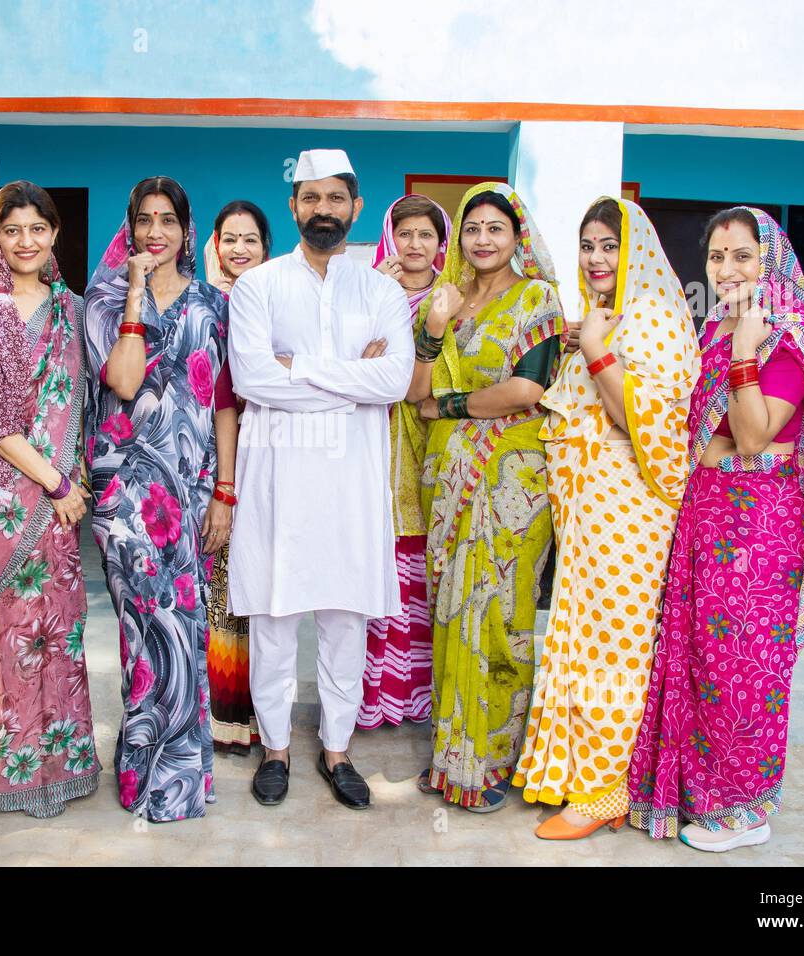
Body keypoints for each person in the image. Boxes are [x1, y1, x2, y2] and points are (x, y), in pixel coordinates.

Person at [628, 206, 804, 851]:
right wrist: (725, 447)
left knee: (746, 667)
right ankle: (701, 792)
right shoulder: (711, 335)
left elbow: (754, 434)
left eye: (743, 256)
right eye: (717, 257)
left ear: (772, 261)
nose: (727, 270)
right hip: (706, 519)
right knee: (702, 659)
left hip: (761, 531)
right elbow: (710, 438)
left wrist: (748, 357)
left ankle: (744, 812)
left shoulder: (794, 338)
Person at [228, 148, 413, 809]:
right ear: (294, 205)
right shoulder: (258, 287)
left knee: (344, 624)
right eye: (311, 198)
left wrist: (297, 367)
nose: (324, 210)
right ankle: (275, 750)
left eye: (336, 199)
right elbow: (252, 380)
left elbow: (392, 381)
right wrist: (348, 378)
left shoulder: (383, 291)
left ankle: (338, 752)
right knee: (276, 624)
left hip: (351, 488)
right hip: (278, 481)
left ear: (356, 207)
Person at [512, 197, 700, 838]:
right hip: (589, 514)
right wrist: (591, 336)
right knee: (577, 637)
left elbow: (646, 425)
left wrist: (595, 350)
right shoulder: (607, 317)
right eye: (587, 245)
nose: (595, 258)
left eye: (608, 246)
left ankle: (604, 792)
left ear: (637, 252)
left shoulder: (656, 319)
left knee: (614, 647)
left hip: (631, 517)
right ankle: (573, 773)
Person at [409, 182, 568, 811]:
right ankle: (454, 759)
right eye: (471, 228)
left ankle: (496, 760)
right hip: (448, 480)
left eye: (494, 229)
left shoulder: (538, 300)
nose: (481, 240)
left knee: (499, 616)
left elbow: (528, 390)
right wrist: (433, 327)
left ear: (517, 236)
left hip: (513, 481)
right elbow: (412, 388)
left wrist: (447, 406)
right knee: (451, 613)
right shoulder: (447, 300)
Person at [84, 176, 235, 822]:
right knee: (141, 635)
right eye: (143, 219)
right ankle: (141, 765)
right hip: (124, 491)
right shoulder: (102, 302)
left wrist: (225, 491)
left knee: (187, 628)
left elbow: (225, 404)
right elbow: (120, 377)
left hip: (192, 489)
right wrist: (136, 293)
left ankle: (181, 774)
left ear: (185, 229)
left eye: (167, 219)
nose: (155, 232)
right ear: (129, 226)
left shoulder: (211, 303)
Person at [0, 181, 100, 817]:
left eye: (38, 229)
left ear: (56, 234)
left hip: (61, 501)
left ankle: (62, 766)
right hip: (1, 500)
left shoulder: (71, 306)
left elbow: (80, 400)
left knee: (58, 632)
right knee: (7, 636)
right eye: (12, 230)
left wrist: (78, 478)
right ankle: (7, 775)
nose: (25, 241)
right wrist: (58, 483)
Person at [359, 194, 451, 729]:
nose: (415, 245)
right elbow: (355, 358)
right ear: (390, 239)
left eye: (426, 235)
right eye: (406, 234)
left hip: (429, 441)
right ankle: (374, 696)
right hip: (371, 440)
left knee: (421, 570)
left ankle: (418, 695)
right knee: (376, 566)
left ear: (441, 245)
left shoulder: (453, 299)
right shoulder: (369, 290)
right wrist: (384, 301)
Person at [202, 199, 273, 755]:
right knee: (212, 586)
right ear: (214, 245)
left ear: (267, 249)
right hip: (201, 460)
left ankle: (247, 712)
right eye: (230, 239)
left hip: (264, 457)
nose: (240, 250)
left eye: (251, 239)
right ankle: (214, 710)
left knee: (249, 589)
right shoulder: (203, 305)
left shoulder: (274, 304)